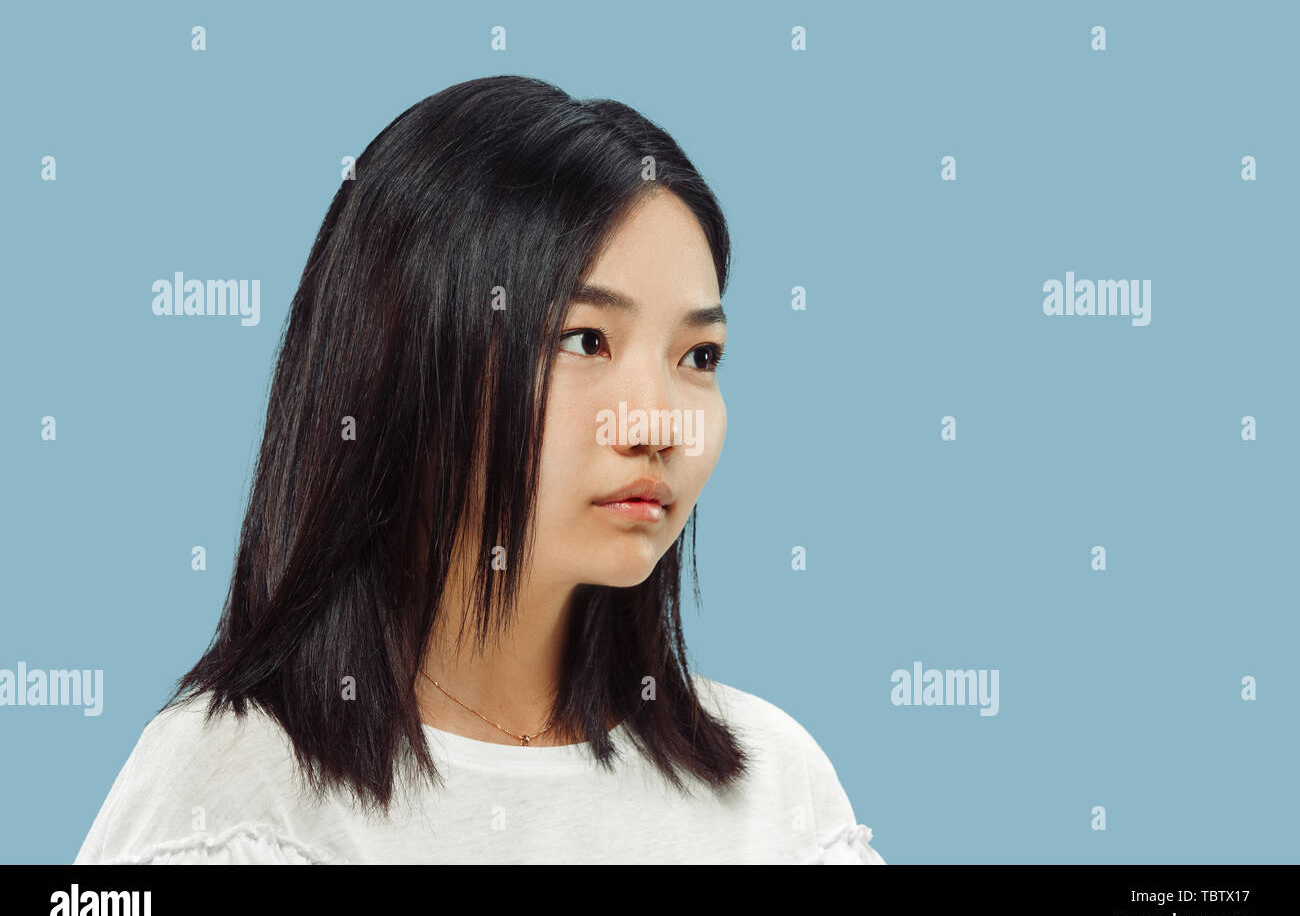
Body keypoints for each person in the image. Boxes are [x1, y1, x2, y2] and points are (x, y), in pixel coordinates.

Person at [73, 75, 885, 864]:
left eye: (698, 355)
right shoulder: (234, 800)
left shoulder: (775, 795)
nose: (659, 422)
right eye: (585, 340)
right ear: (407, 360)